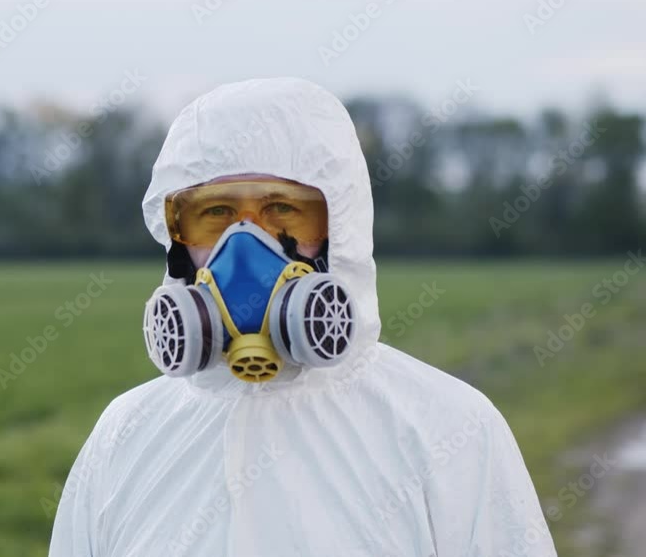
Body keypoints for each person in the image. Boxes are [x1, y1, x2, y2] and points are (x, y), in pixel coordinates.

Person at [48, 78, 556, 556]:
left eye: (283, 211)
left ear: (342, 229)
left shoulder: (451, 430)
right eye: (216, 214)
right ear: (178, 243)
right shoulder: (125, 437)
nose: (244, 249)